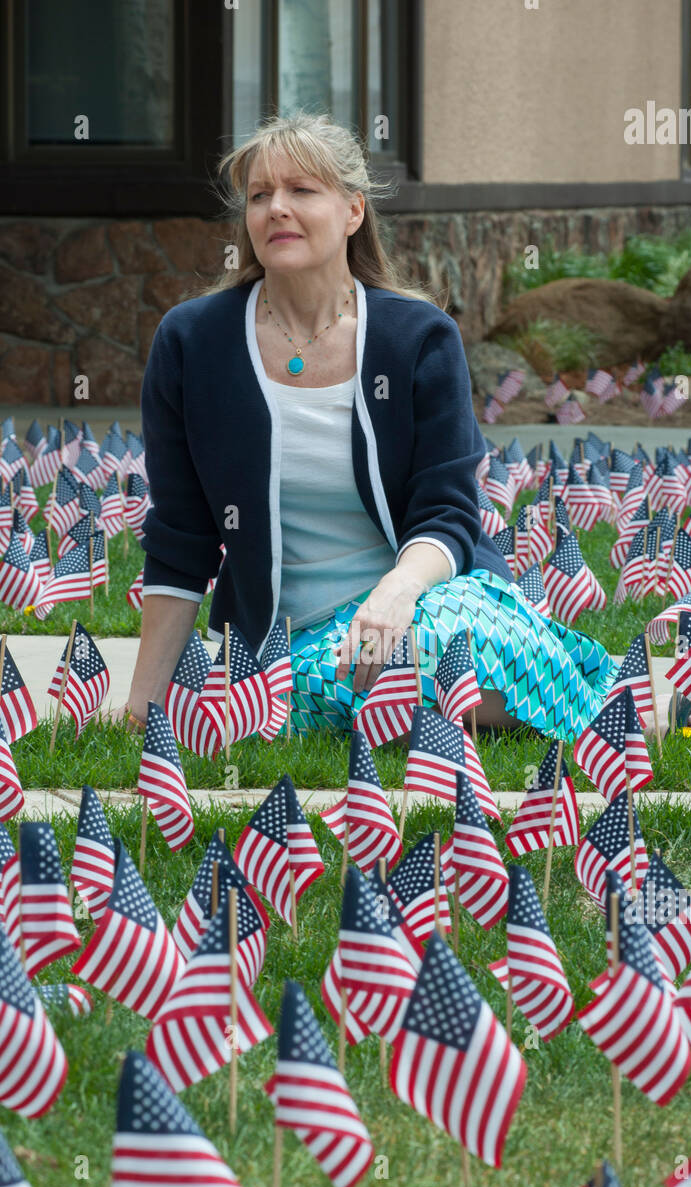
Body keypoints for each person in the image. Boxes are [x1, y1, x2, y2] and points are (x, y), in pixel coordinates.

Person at [119, 111, 615, 740]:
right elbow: (180, 538)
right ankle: (535, 694)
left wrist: (396, 595)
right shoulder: (193, 342)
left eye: (302, 191)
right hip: (294, 650)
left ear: (353, 211)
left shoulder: (418, 338)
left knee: (447, 643)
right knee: (327, 694)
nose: (277, 208)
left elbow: (447, 512)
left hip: (429, 604)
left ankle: (523, 688)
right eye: (260, 195)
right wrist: (143, 706)